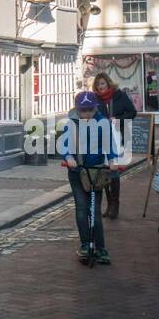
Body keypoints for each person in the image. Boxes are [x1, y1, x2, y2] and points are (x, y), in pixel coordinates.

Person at [59, 90, 118, 265]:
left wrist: (112, 159)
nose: (86, 114)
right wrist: (68, 157)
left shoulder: (102, 123)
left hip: (96, 172)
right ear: (77, 110)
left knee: (95, 211)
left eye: (90, 110)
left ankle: (101, 248)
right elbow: (64, 144)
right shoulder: (71, 124)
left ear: (96, 109)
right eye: (83, 111)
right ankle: (85, 244)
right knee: (82, 208)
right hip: (77, 173)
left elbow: (110, 144)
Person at [92, 71, 137, 220]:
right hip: (101, 139)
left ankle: (115, 204)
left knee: (114, 170)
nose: (101, 87)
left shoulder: (120, 96)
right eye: (98, 85)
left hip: (117, 138)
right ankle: (109, 203)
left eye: (103, 84)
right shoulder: (95, 100)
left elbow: (132, 112)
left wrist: (117, 119)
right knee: (104, 170)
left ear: (108, 83)